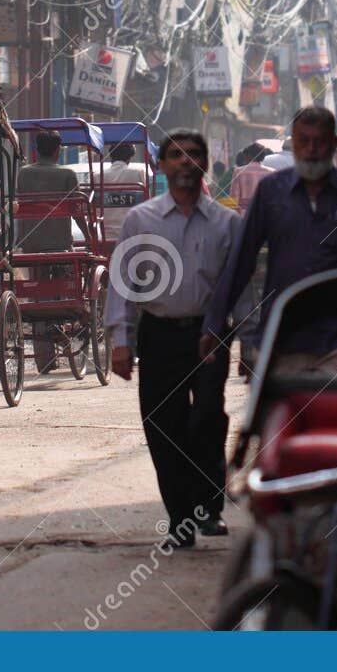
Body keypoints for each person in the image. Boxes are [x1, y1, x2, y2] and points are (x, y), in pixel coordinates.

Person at [105, 130, 239, 548]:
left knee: (206, 422)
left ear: (204, 164)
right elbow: (122, 284)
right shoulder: (140, 220)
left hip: (209, 334)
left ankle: (209, 508)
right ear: (161, 165)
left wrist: (249, 339)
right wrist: (120, 341)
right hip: (158, 334)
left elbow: (242, 286)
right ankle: (181, 519)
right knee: (164, 427)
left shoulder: (226, 222)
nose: (185, 162)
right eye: (176, 156)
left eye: (194, 155)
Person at [204, 106, 337, 376]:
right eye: (304, 141)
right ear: (293, 142)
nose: (312, 149)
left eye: (320, 141)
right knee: (286, 417)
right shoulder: (271, 191)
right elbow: (242, 259)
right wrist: (215, 322)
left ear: (332, 145)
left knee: (332, 416)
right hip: (283, 339)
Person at [17, 130, 80, 252]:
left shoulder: (23, 172)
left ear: (37, 150)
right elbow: (76, 212)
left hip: (29, 243)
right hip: (60, 244)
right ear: (57, 150)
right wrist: (89, 236)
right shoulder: (68, 174)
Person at [227, 144, 273, 215]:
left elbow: (234, 198)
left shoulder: (239, 172)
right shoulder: (272, 172)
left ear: (248, 156)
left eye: (245, 155)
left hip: (244, 217)